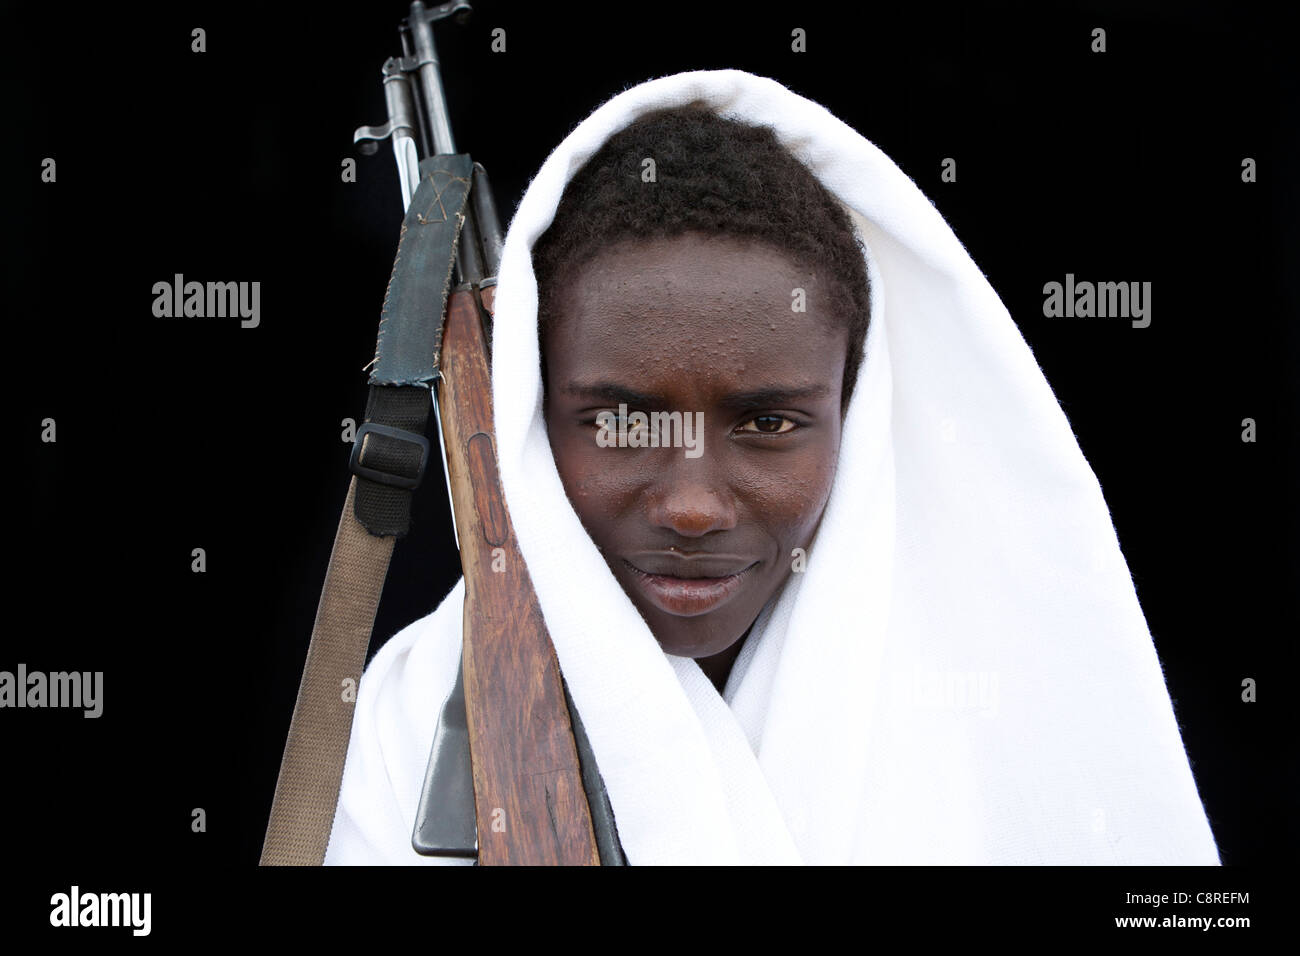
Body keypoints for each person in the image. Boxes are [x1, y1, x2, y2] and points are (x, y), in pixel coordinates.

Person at [323, 69, 1221, 865]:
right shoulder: (411, 726)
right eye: (621, 421)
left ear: (855, 421)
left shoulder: (1016, 715)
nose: (690, 506)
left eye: (767, 422)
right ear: (528, 412)